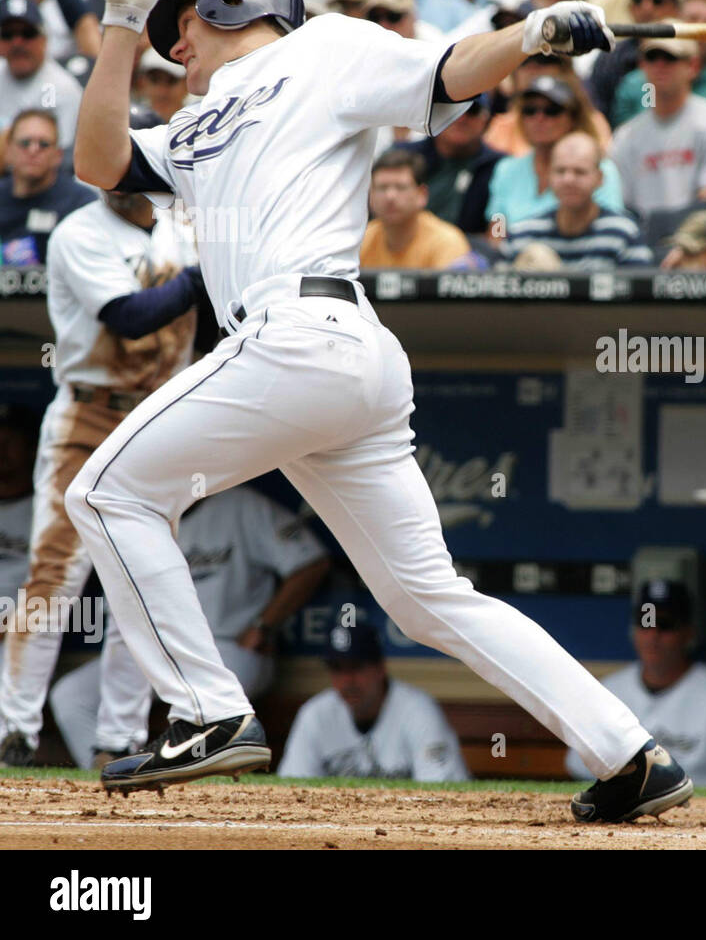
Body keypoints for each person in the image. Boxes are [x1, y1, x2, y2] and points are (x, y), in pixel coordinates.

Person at [69, 0, 691, 821]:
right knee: (425, 597)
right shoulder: (197, 123)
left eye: (180, 24)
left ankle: (207, 710)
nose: (177, 45)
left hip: (302, 332)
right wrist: (121, 25)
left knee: (105, 493)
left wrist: (528, 34)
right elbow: (98, 162)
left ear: (233, 2)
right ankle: (631, 754)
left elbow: (446, 72)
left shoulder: (325, 48)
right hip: (323, 364)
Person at [0, 185, 201, 768]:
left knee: (142, 582)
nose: (117, 182)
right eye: (109, 172)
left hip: (157, 418)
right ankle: (15, 730)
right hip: (88, 414)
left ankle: (120, 736)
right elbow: (128, 317)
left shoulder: (184, 224)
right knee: (55, 575)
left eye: (128, 169)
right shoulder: (80, 230)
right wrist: (199, 278)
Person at [49, 483, 330, 770]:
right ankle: (114, 775)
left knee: (213, 705)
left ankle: (193, 792)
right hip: (156, 649)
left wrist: (264, 625)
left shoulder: (242, 505)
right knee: (71, 695)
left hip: (226, 648)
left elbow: (310, 561)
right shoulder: (137, 516)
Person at [566, 579, 706, 787]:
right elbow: (577, 765)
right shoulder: (609, 690)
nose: (652, 635)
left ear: (689, 632)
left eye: (665, 625)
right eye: (645, 622)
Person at [279, 619, 470, 781]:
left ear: (380, 668)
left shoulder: (417, 711)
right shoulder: (315, 715)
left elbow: (440, 793)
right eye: (337, 669)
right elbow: (292, 787)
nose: (347, 681)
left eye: (356, 667)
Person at [608, 31, 706, 222]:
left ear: (693, 66)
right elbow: (623, 204)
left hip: (699, 234)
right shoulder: (626, 135)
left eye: (670, 58)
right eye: (651, 57)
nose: (660, 65)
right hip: (643, 236)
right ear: (641, 65)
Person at [485, 74, 623, 232]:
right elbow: (497, 228)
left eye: (552, 111)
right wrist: (503, 248)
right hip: (515, 253)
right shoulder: (506, 170)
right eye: (530, 110)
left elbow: (609, 225)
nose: (539, 118)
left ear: (573, 118)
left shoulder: (600, 169)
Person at [501, 132, 652, 268]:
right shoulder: (523, 235)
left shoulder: (624, 233)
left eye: (580, 172)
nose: (568, 180)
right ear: (549, 176)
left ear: (599, 178)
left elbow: (641, 293)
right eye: (560, 171)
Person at [610, 0, 706, 127]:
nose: (699, 29)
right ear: (677, 19)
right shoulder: (636, 83)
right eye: (692, 19)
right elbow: (623, 136)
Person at [393, 93, 503, 235]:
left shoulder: (500, 166)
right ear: (434, 114)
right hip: (405, 246)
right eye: (451, 110)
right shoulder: (402, 157)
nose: (461, 118)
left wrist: (494, 243)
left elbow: (501, 222)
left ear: (486, 119)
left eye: (472, 111)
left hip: (473, 252)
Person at [0, 111, 96, 265]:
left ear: (58, 155)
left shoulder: (81, 204)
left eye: (43, 144)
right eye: (25, 143)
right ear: (9, 150)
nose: (33, 150)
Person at [362, 149, 471, 269]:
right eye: (382, 188)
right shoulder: (361, 240)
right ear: (370, 195)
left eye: (401, 187)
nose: (390, 196)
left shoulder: (446, 241)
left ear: (422, 194)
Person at [0, 0, 83, 153]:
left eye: (27, 34)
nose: (17, 43)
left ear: (44, 39)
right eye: (7, 35)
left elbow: (59, 156)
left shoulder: (60, 88)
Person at [0, 406, 39, 624]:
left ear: (31, 448)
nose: (0, 450)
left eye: (9, 442)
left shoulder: (51, 511)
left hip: (22, 632)